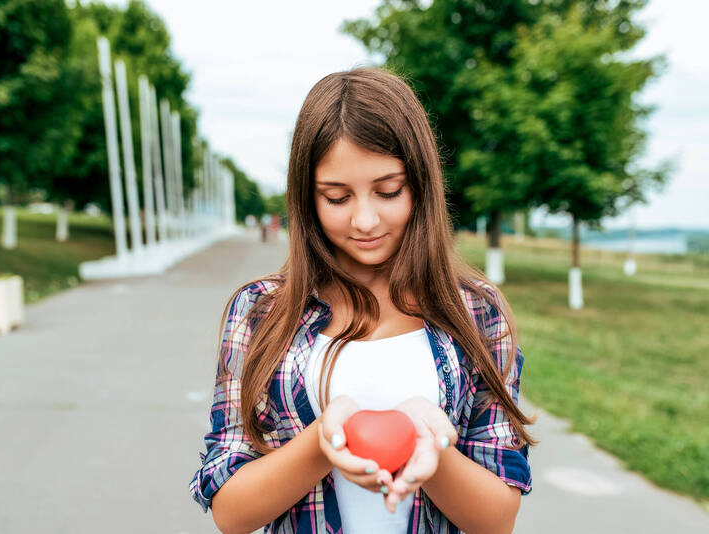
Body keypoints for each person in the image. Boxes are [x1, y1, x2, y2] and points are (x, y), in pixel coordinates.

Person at [189, 67, 534, 534]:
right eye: (337, 197)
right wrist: (320, 444)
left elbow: (497, 520)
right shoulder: (259, 311)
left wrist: (428, 451)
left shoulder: (478, 313)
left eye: (388, 190)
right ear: (307, 198)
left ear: (421, 185)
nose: (365, 220)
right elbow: (230, 512)